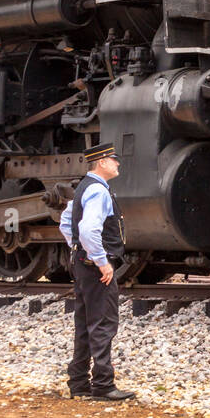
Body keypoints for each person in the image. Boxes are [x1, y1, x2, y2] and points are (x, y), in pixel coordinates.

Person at [57, 142, 136, 401]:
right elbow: (89, 228)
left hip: (82, 263)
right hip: (95, 267)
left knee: (84, 322)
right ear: (101, 162)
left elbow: (66, 222)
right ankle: (103, 383)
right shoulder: (99, 191)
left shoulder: (84, 187)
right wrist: (102, 261)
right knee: (103, 323)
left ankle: (79, 382)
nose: (118, 163)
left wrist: (77, 248)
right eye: (113, 159)